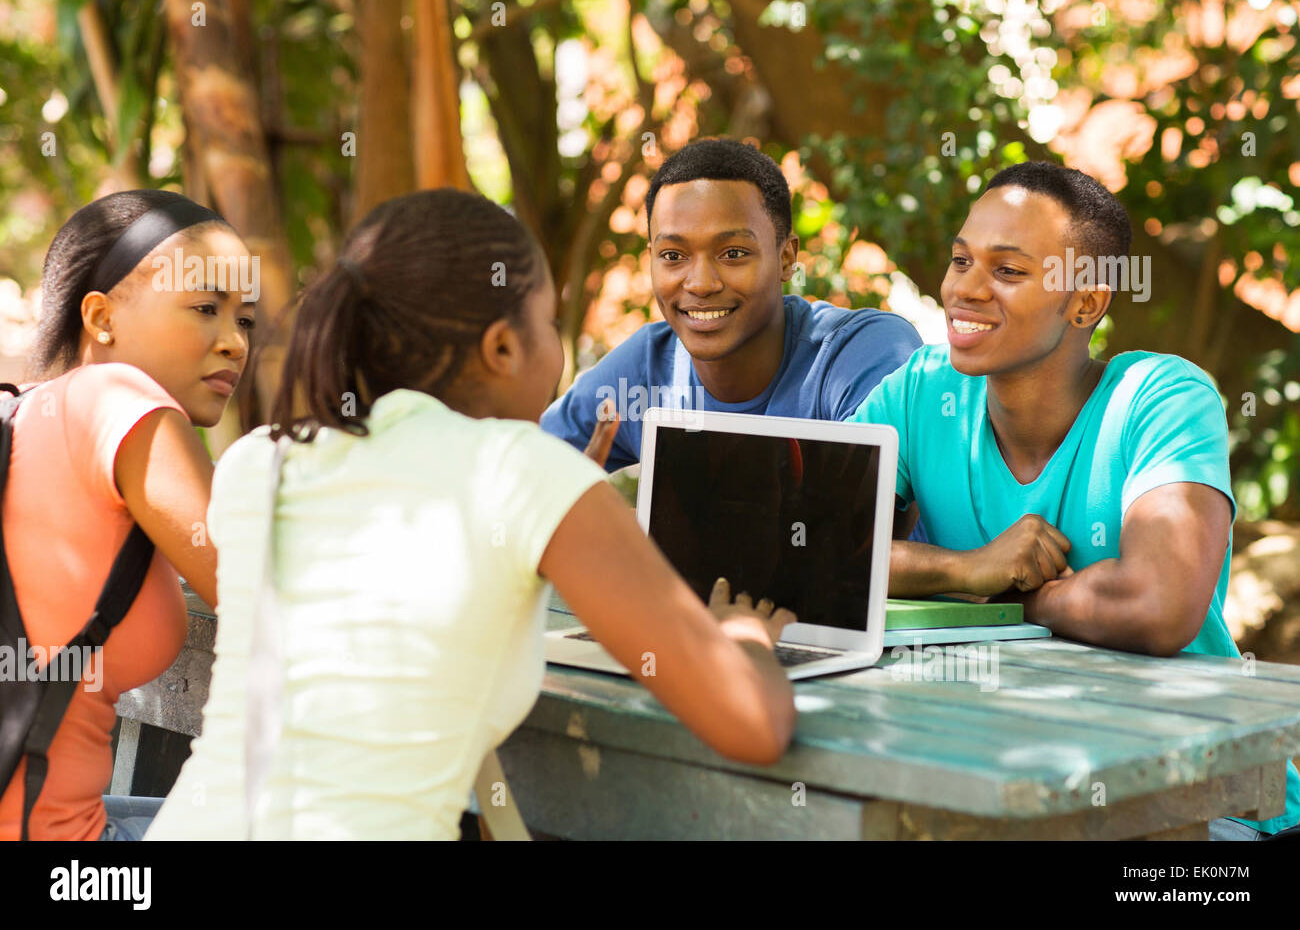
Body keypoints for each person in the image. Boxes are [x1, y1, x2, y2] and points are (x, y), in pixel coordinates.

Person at [145, 188, 797, 841]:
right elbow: (752, 725)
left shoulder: (260, 462)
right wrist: (740, 638)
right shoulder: (519, 472)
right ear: (502, 348)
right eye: (548, 321)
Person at [847, 160, 1300, 840]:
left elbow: (1156, 607)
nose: (964, 290)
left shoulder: (1160, 398)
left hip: (1209, 803)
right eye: (961, 260)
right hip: (1011, 783)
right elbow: (805, 548)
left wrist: (997, 602)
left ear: (1085, 302)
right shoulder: (920, 391)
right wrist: (966, 571)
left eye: (1007, 271)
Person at [0, 190, 254, 840]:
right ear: (102, 317)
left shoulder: (29, 410)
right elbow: (269, 595)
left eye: (244, 319)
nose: (233, 343)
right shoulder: (118, 397)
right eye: (205, 308)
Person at [541, 138, 922, 470]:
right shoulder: (648, 368)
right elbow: (514, 481)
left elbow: (856, 539)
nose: (701, 284)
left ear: (787, 258)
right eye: (673, 256)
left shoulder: (857, 354)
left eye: (733, 253)